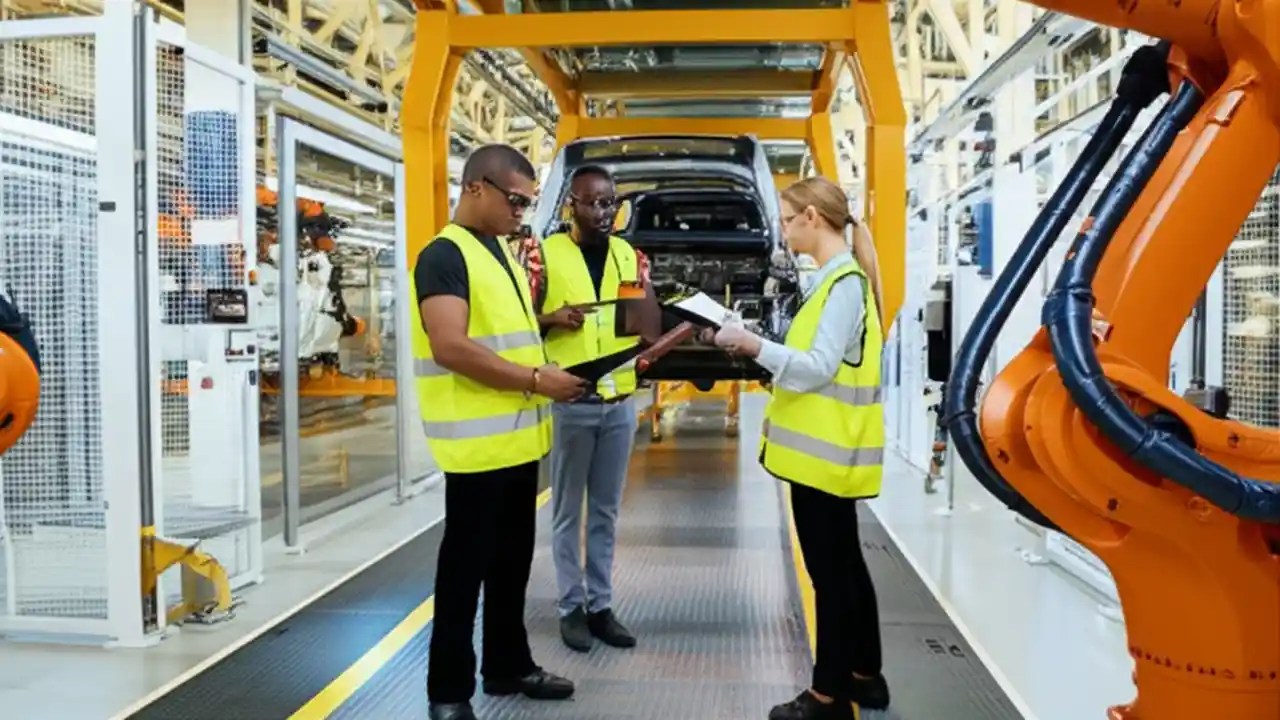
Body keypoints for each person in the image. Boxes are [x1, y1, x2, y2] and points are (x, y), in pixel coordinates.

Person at [708, 176, 891, 720]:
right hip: (829, 453)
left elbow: (816, 367)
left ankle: (827, 695)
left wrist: (752, 345)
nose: (784, 232)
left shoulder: (843, 287)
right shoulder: (835, 283)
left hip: (824, 456)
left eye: (788, 220)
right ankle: (865, 674)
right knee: (848, 567)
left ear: (813, 218)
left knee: (830, 577)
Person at [414, 143, 586, 720]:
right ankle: (448, 693)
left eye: (529, 202)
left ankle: (507, 665)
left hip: (517, 441)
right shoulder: (444, 254)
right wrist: (539, 379)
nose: (522, 211)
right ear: (475, 188)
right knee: (463, 572)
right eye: (515, 199)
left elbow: (503, 329)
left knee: (511, 563)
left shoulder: (503, 253)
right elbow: (450, 345)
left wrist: (549, 331)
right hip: (476, 446)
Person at [531, 164, 662, 652]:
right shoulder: (544, 255)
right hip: (572, 401)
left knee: (605, 511)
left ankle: (601, 606)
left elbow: (635, 321)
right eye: (594, 202)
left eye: (610, 202)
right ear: (572, 206)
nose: (605, 211)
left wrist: (656, 321)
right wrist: (552, 318)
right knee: (567, 511)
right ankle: (570, 607)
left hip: (620, 401)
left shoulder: (628, 254)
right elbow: (522, 321)